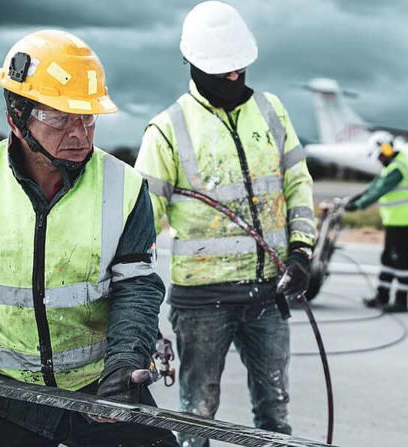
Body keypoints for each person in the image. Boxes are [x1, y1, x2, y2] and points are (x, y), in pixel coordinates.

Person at [0, 30, 178, 446]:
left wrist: (125, 362)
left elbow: (137, 287)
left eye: (88, 117)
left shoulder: (125, 187)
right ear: (16, 115)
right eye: (60, 118)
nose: (79, 133)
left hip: (93, 378)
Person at [135, 2, 316, 445]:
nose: (235, 79)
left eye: (240, 70)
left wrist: (300, 251)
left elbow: (297, 185)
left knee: (274, 412)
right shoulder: (168, 129)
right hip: (201, 301)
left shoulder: (271, 112)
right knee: (197, 417)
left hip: (267, 292)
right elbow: (139, 226)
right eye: (224, 72)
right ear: (193, 65)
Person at [344, 131, 408, 313]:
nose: (378, 159)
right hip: (396, 220)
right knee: (387, 257)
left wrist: (358, 206)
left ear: (386, 150)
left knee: (400, 259)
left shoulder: (398, 168)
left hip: (404, 220)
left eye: (379, 155)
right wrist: (357, 197)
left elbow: (380, 191)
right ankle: (382, 296)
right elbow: (376, 185)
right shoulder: (393, 165)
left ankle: (401, 301)